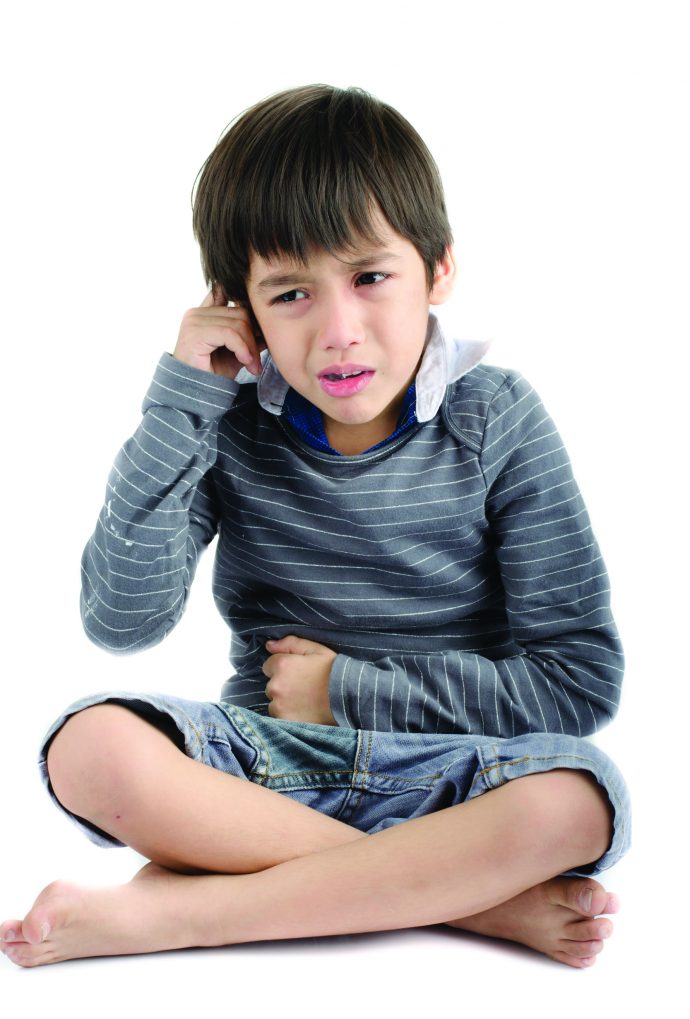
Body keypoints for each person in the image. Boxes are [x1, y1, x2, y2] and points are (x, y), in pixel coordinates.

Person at [0, 84, 630, 969]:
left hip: (457, 775)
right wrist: (187, 397)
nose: (339, 332)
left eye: (371, 277)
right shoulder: (222, 424)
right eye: (290, 293)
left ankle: (183, 914)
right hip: (268, 770)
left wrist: (351, 691)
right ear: (238, 307)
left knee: (577, 801)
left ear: (438, 269)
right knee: (88, 746)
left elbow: (578, 682)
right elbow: (121, 619)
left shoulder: (497, 420)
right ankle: (474, 906)